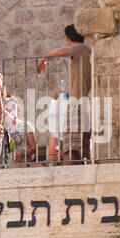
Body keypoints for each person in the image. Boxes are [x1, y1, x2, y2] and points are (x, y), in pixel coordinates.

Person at [37, 25, 92, 163]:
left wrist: (43, 59)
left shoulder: (82, 49)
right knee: (78, 145)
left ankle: (69, 172)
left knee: (70, 146)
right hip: (81, 101)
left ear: (67, 38)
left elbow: (59, 51)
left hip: (77, 103)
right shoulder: (84, 51)